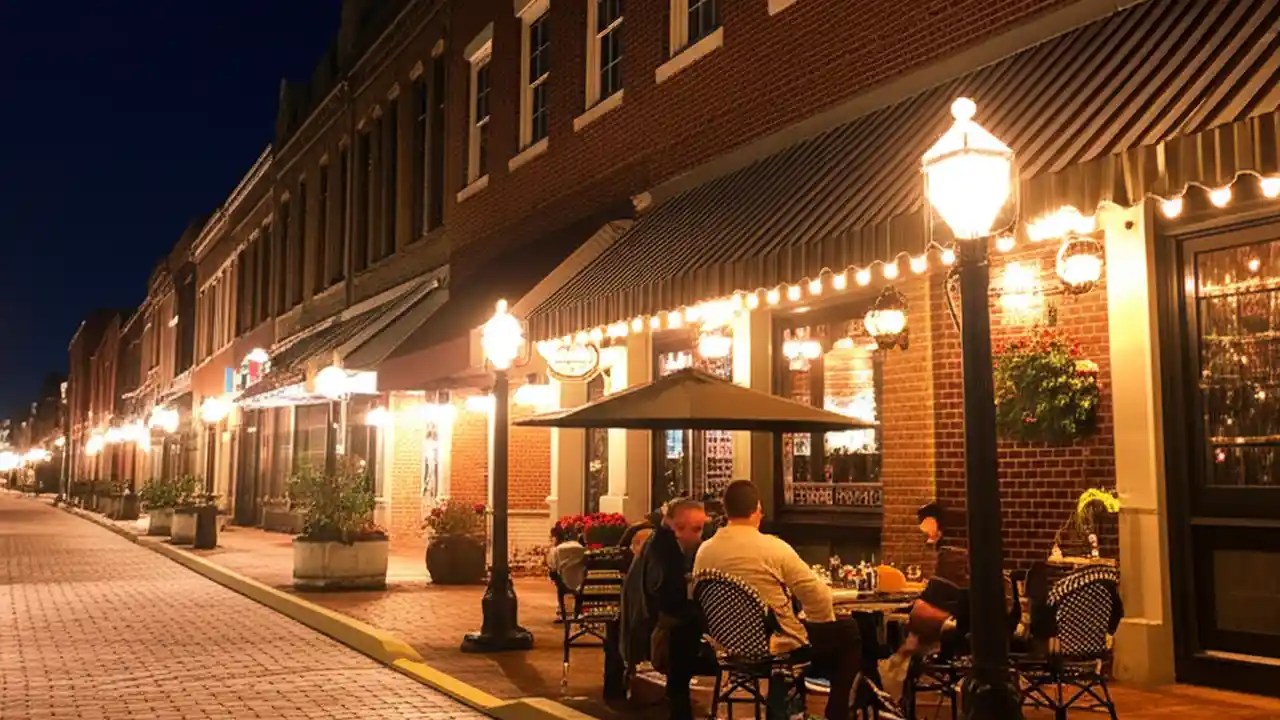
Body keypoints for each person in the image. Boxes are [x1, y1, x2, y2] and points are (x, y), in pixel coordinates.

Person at [695, 480, 863, 720]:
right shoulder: (773, 548)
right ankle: (837, 711)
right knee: (849, 631)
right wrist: (815, 622)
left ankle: (790, 704)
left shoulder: (704, 551)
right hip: (775, 646)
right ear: (757, 510)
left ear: (726, 511)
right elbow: (817, 595)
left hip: (727, 646)